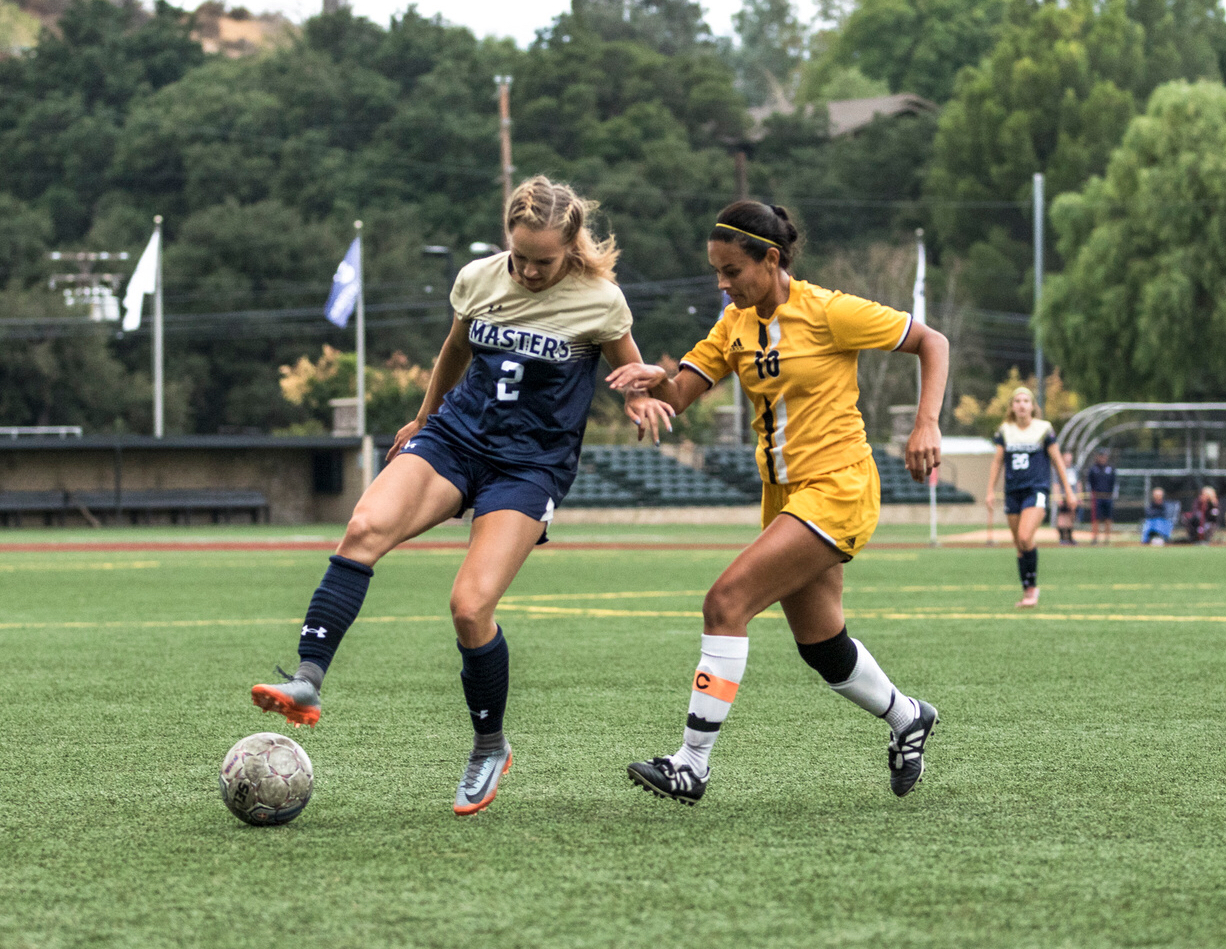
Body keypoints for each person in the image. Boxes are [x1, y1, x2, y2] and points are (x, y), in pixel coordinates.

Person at [247, 176, 673, 816]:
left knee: (470, 607)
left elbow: (628, 368)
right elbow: (454, 348)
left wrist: (640, 396)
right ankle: (308, 678)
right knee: (364, 528)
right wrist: (423, 418)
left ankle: (488, 745)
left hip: (531, 465)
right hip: (456, 436)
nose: (528, 270)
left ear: (570, 246)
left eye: (544, 261)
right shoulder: (478, 279)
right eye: (519, 256)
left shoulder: (600, 300)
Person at [605, 200, 950, 805]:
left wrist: (926, 423)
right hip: (785, 496)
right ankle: (907, 716)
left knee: (725, 602)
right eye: (716, 271)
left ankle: (692, 764)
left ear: (771, 259)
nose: (723, 283)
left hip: (839, 487)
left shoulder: (830, 310)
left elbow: (932, 342)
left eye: (732, 271)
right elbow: (681, 393)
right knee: (821, 645)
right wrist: (647, 383)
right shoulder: (733, 324)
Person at [985, 389, 1077, 608]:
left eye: (1026, 400)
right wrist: (990, 490)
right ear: (1012, 406)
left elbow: (1057, 461)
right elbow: (997, 462)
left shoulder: (1043, 429)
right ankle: (1027, 592)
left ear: (1033, 406)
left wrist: (1068, 491)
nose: (1022, 404)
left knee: (1026, 537)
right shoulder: (1005, 430)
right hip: (1012, 492)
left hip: (1036, 489)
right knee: (1019, 545)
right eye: (1017, 401)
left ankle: (1033, 588)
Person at [1085, 450, 1116, 544]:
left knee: (1108, 518)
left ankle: (1107, 538)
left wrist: (1113, 494)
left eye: (1104, 456)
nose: (1103, 458)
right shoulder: (1093, 469)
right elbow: (1089, 483)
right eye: (1101, 456)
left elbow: (1114, 483)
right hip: (1097, 497)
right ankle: (1095, 537)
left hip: (1108, 496)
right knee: (1096, 518)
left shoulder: (1111, 469)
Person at [1055, 448, 1079, 545]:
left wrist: (1078, 496)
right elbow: (1056, 484)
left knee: (1071, 516)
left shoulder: (1074, 469)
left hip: (1073, 496)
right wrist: (1058, 497)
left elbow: (1078, 483)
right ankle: (1062, 537)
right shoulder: (1059, 469)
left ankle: (1069, 537)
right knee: (1062, 516)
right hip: (1063, 496)